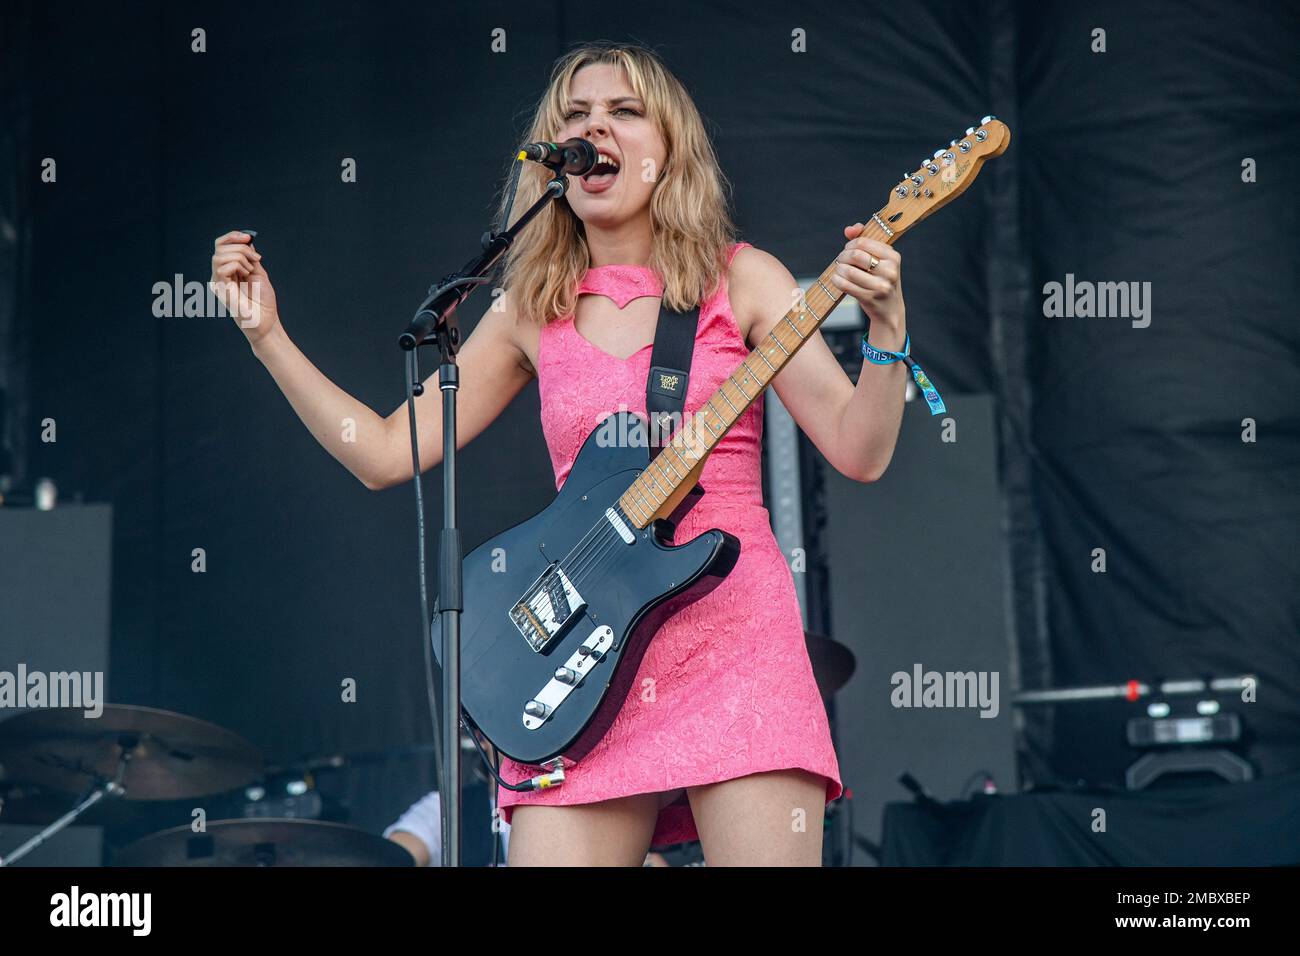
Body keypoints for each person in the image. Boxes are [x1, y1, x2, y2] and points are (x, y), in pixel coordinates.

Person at [209, 42, 910, 866]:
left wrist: (890, 330)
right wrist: (268, 338)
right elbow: (385, 452)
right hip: (584, 659)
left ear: (668, 148)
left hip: (732, 642)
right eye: (575, 116)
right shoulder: (528, 310)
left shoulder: (746, 280)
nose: (594, 128)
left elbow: (859, 452)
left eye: (622, 111)